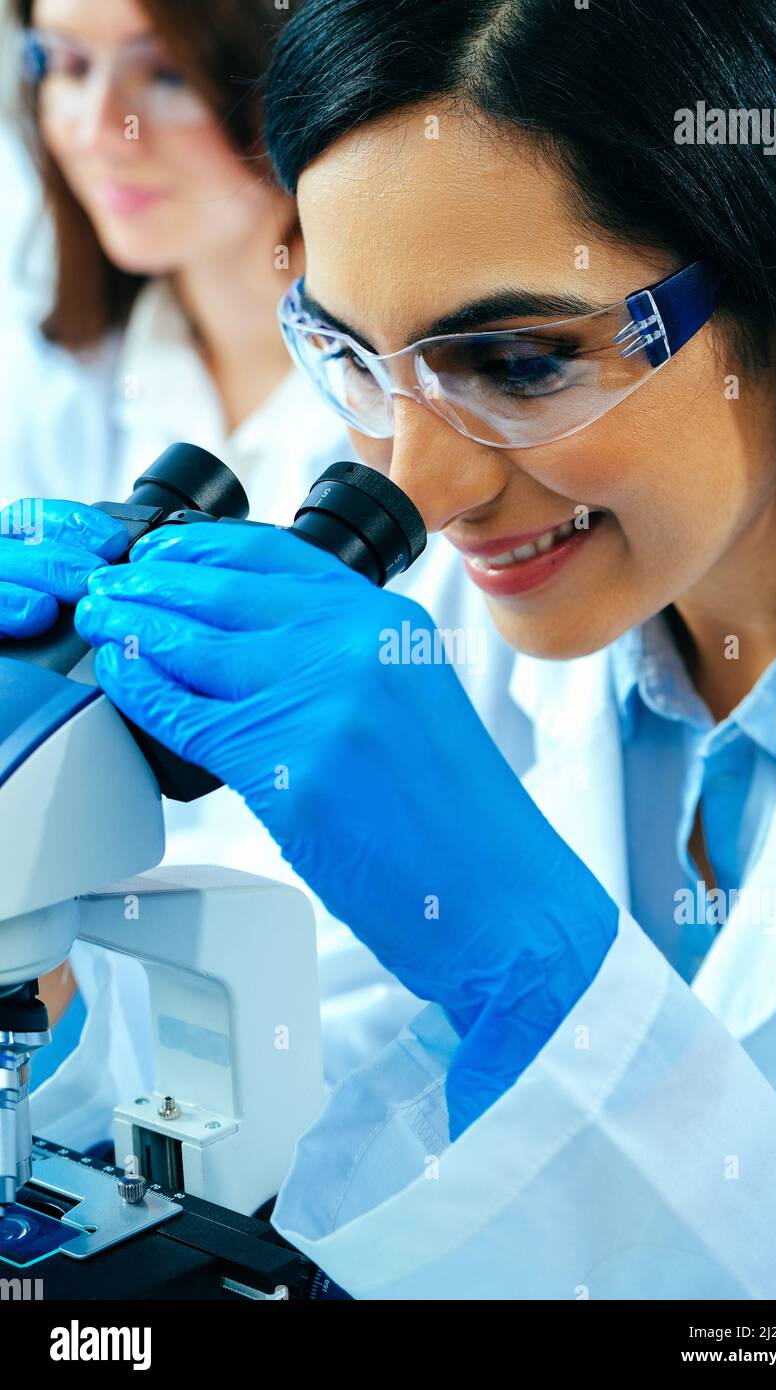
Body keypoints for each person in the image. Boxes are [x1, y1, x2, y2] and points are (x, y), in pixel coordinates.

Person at [6, 0, 776, 1297]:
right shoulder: (475, 623)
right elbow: (294, 1082)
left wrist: (532, 966)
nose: (422, 486)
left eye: (518, 363)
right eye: (351, 353)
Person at [0, 0, 531, 1131]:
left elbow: (382, 993)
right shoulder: (45, 373)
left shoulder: (459, 465)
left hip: (315, 1063)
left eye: (167, 78)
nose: (102, 127)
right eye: (63, 64)